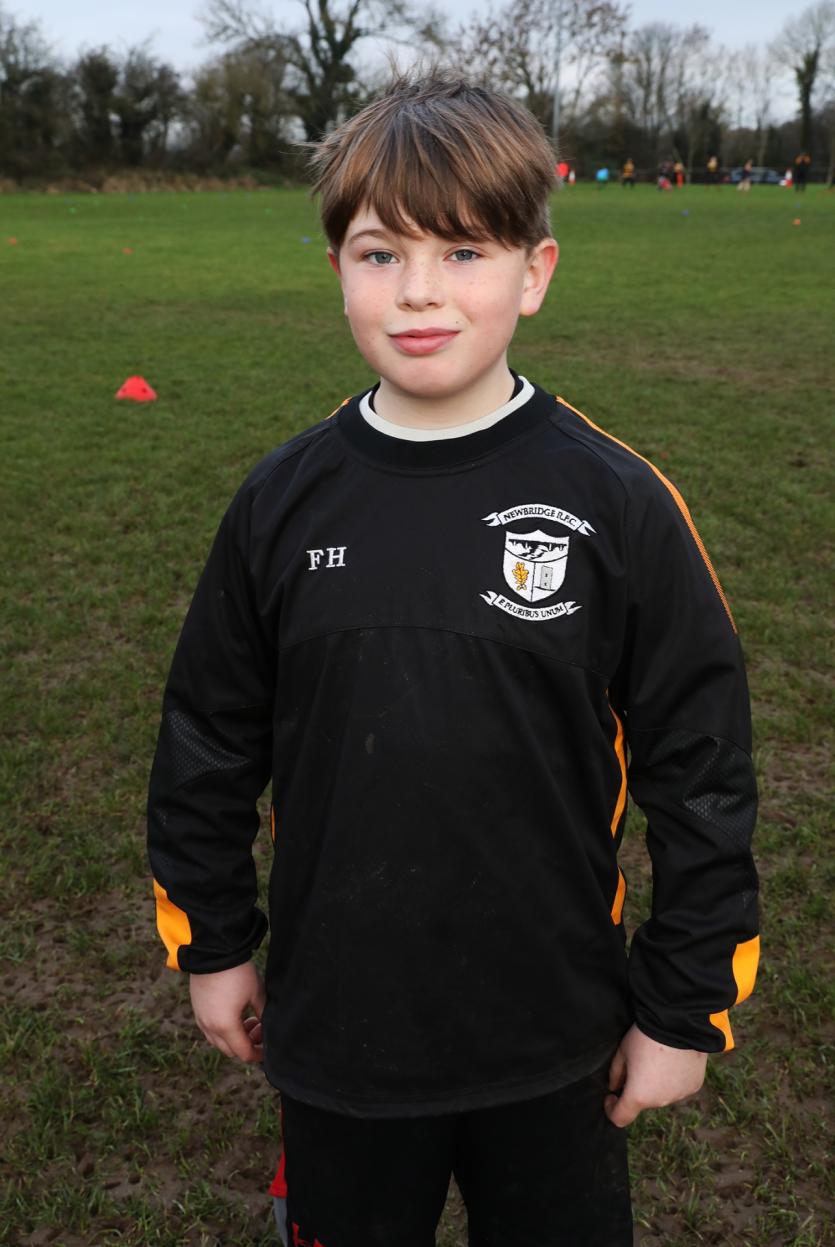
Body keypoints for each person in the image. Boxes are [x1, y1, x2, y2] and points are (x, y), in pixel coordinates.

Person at [147, 72, 760, 1247]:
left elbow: (704, 769)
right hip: (338, 1037)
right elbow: (208, 735)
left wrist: (681, 1009)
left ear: (534, 273)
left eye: (465, 250)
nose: (419, 290)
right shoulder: (279, 503)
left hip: (557, 1035)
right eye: (380, 253)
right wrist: (214, 940)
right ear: (335, 268)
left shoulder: (616, 506)